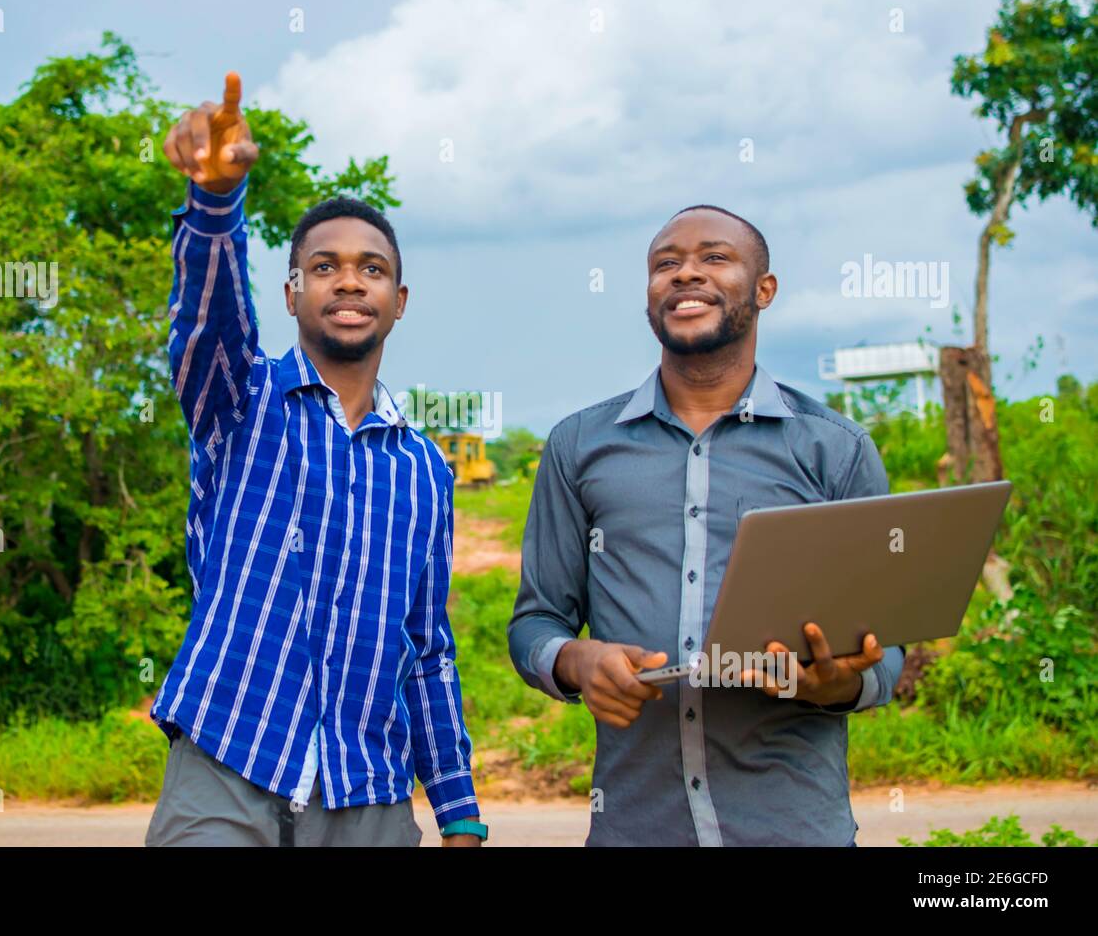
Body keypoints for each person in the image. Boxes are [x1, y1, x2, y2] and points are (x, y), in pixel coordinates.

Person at [146, 71, 484, 847]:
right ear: (293, 292)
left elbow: (425, 648)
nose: (349, 281)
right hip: (229, 760)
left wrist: (459, 809)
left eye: (372, 268)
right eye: (324, 266)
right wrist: (215, 204)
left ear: (399, 301)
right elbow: (209, 323)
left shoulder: (425, 470)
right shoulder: (238, 402)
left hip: (367, 791)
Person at [508, 204, 905, 846]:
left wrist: (840, 682)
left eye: (715, 258)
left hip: (795, 830)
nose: (685, 274)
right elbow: (535, 622)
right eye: (666, 263)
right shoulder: (578, 446)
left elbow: (887, 647)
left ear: (764, 289)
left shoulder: (837, 450)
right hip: (637, 826)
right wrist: (575, 660)